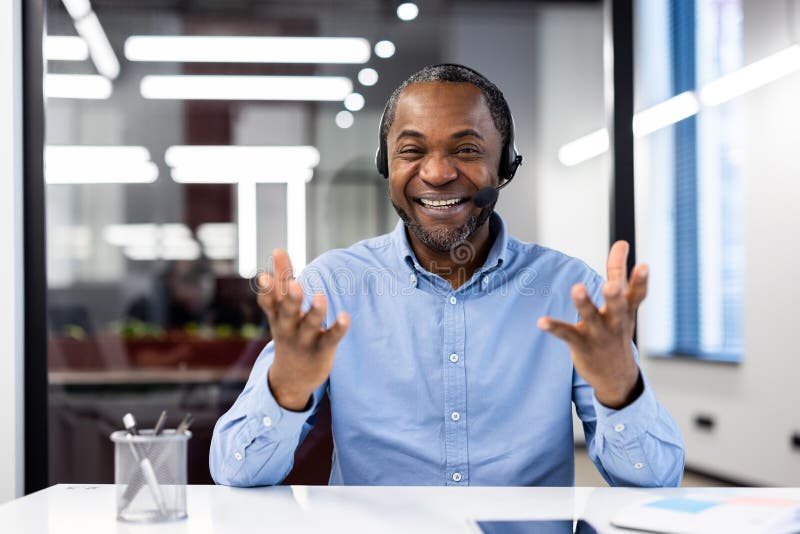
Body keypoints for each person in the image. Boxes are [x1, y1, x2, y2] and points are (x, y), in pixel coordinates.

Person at [209, 64, 685, 487]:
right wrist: (286, 390)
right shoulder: (331, 288)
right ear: (386, 164)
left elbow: (656, 477)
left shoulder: (568, 291)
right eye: (411, 150)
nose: (436, 173)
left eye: (467, 149)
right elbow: (236, 470)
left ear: (505, 166)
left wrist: (620, 387)